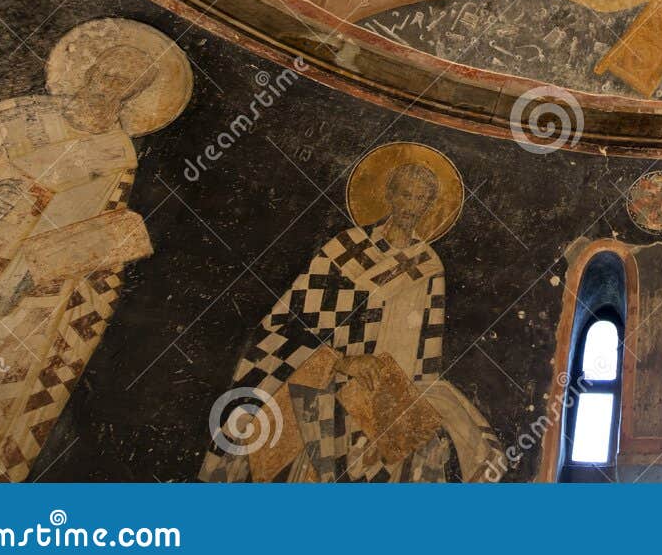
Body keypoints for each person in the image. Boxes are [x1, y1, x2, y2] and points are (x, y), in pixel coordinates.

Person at [0, 20, 190, 481]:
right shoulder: (20, 112)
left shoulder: (118, 155)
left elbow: (95, 239)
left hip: (0, 290)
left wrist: (32, 256)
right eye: (108, 72)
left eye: (126, 82)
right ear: (89, 70)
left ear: (135, 94)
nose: (110, 86)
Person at [199, 159, 502, 482]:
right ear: (389, 195)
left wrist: (406, 395)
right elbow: (282, 324)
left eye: (420, 199)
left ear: (430, 205)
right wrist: (341, 363)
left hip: (386, 397)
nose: (411, 207)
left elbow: (426, 357)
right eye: (405, 195)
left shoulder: (429, 266)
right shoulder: (344, 250)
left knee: (435, 444)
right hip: (326, 384)